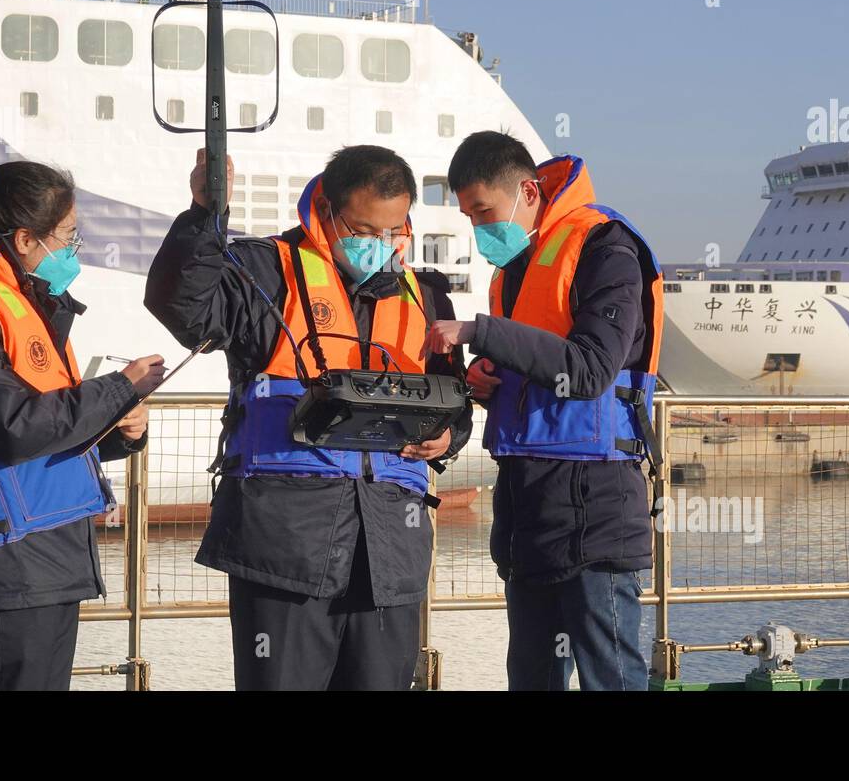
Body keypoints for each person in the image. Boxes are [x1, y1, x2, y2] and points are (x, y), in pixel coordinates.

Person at [144, 144, 474, 690]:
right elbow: (179, 305)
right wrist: (205, 215)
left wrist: (448, 435)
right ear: (326, 212)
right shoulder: (262, 270)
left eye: (396, 231)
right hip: (284, 548)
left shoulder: (426, 294)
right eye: (366, 230)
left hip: (390, 551)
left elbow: (454, 399)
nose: (383, 245)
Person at [0, 161, 166, 690]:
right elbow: (8, 428)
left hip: (43, 555)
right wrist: (117, 389)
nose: (72, 249)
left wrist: (120, 428)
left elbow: (45, 431)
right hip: (3, 562)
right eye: (67, 236)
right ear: (24, 239)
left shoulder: (26, 306)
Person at [424, 131, 663, 691]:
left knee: (611, 674)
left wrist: (481, 332)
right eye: (469, 216)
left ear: (528, 191)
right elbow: (537, 364)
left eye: (484, 212)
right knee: (531, 674)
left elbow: (589, 370)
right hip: (527, 501)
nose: (480, 229)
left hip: (596, 500)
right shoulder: (515, 271)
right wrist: (491, 376)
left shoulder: (607, 248)